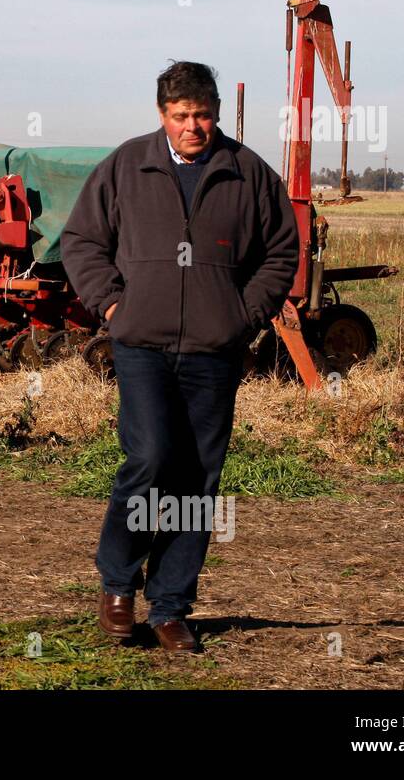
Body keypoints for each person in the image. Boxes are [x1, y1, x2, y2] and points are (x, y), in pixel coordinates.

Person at [60, 62, 299, 651]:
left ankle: (170, 607)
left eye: (203, 115)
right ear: (162, 114)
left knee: (197, 480)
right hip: (141, 343)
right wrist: (114, 307)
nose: (194, 126)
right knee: (149, 457)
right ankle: (118, 583)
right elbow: (82, 242)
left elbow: (281, 250)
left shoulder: (247, 174)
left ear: (216, 112)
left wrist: (243, 317)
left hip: (214, 352)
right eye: (181, 115)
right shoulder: (126, 165)